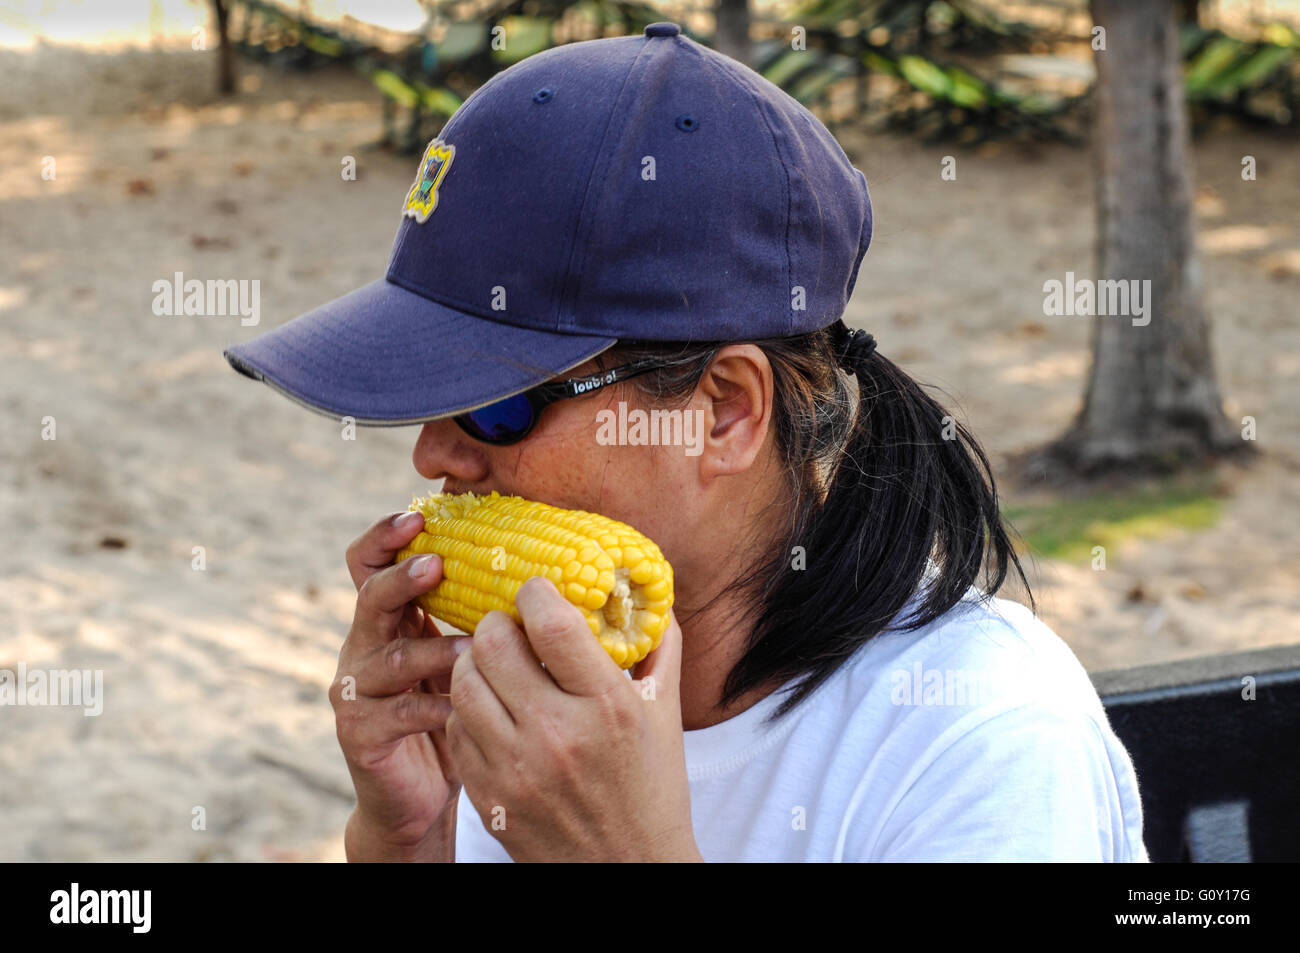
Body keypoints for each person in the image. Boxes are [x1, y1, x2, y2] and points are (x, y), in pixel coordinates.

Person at [224, 23, 1148, 862]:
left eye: (497, 405)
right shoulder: (527, 710)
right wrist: (417, 840)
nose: (433, 456)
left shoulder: (977, 741)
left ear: (723, 411)